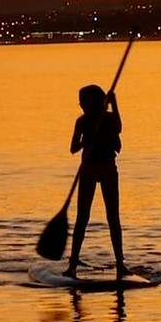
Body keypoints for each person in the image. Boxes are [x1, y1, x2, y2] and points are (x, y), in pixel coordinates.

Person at [64, 85, 128, 281]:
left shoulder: (108, 119)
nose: (81, 104)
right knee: (82, 218)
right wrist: (85, 141)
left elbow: (119, 128)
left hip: (108, 169)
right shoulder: (81, 122)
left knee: (113, 218)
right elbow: (73, 148)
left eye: (84, 101)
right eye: (80, 101)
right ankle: (72, 264)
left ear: (96, 101)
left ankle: (120, 264)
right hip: (89, 170)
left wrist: (114, 103)